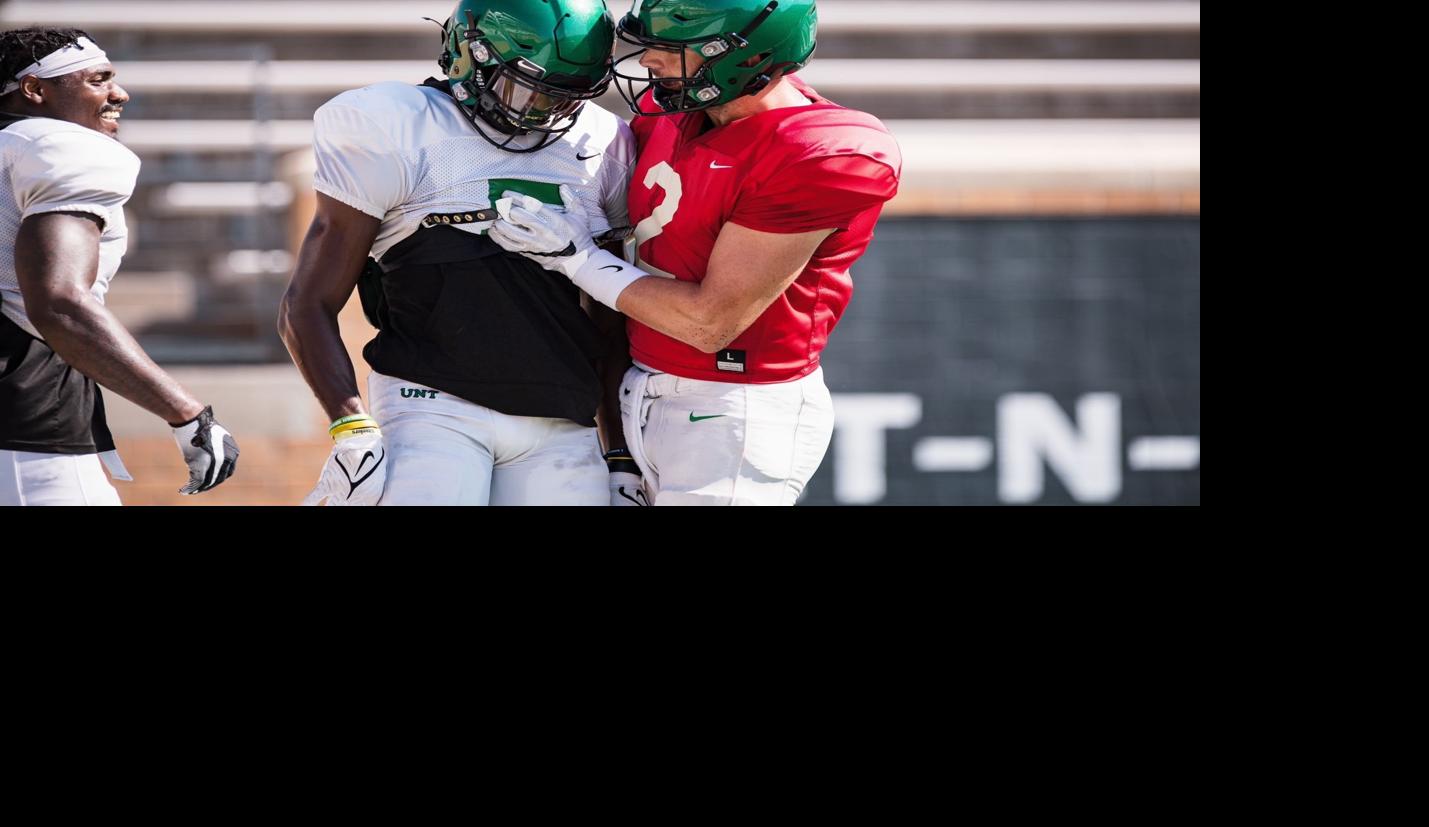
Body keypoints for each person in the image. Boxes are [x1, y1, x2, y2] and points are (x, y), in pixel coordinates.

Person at [490, 0, 901, 506]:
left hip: (735, 408)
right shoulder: (671, 114)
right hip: (641, 389)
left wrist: (575, 258)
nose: (648, 61)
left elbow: (710, 324)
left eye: (671, 47)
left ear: (746, 58)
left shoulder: (819, 152)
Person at [280, 0, 640, 506]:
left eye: (566, 95)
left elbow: (609, 321)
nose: (543, 110)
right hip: (431, 405)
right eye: (527, 86)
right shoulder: (394, 123)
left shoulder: (604, 141)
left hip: (562, 415)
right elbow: (307, 303)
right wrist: (352, 426)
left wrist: (620, 454)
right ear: (470, 53)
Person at [1, 27, 239, 506]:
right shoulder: (61, 145)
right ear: (35, 88)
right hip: (28, 428)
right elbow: (61, 302)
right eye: (98, 79)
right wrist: (187, 414)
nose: (119, 92)